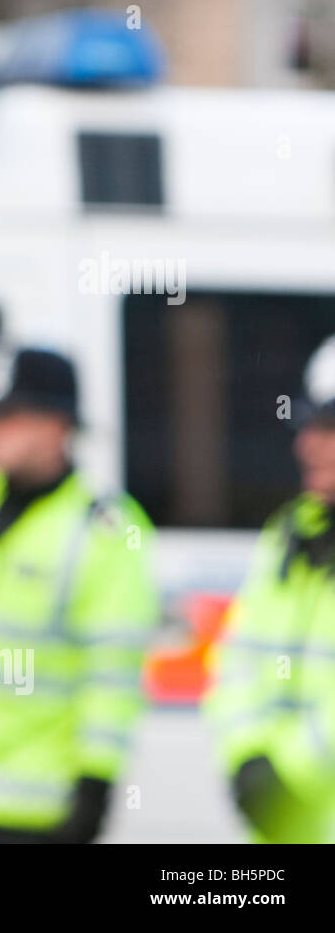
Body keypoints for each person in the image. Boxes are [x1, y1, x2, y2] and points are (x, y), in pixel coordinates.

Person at [0, 340, 159, 842]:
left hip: (27, 818)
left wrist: (93, 793)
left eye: (6, 414)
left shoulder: (103, 533)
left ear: (57, 425)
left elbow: (112, 681)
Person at [202, 335, 335, 843]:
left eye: (330, 427)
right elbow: (236, 660)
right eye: (310, 425)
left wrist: (285, 776)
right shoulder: (289, 537)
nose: (307, 444)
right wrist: (248, 760)